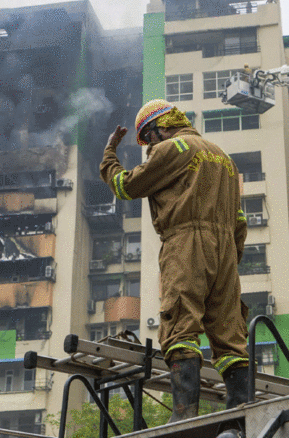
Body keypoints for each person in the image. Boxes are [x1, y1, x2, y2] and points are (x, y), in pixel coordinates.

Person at [100, 99, 251, 423]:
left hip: (186, 242)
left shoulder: (173, 148)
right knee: (230, 335)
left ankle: (184, 413)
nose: (150, 146)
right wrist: (229, 258)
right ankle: (242, 415)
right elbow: (240, 218)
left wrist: (109, 156)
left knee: (180, 324)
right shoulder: (224, 159)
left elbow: (127, 186)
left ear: (161, 127)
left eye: (149, 138)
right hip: (225, 251)